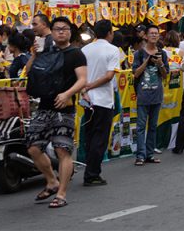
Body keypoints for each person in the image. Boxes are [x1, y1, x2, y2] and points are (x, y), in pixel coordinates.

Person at [25, 16, 87, 208]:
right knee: (33, 147)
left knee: (63, 150)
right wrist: (34, 56)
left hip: (64, 108)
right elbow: (28, 73)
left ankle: (61, 194)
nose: (61, 32)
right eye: (57, 29)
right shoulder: (44, 52)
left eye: (65, 29)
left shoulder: (76, 53)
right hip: (44, 106)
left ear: (70, 32)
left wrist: (67, 94)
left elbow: (83, 79)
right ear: (51, 32)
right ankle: (52, 181)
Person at [79, 20, 119, 186]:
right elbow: (109, 76)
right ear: (109, 32)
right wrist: (91, 86)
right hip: (102, 100)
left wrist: (85, 89)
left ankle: (91, 170)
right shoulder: (113, 50)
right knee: (100, 138)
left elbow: (80, 75)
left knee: (90, 136)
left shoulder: (85, 49)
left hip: (87, 99)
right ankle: (92, 173)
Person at [132, 25, 168, 166]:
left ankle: (150, 154)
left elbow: (165, 75)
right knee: (141, 126)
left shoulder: (163, 54)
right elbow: (135, 74)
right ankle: (140, 155)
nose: (154, 36)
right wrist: (147, 61)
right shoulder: (139, 54)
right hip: (143, 95)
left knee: (153, 126)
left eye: (156, 33)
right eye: (151, 33)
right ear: (145, 36)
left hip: (157, 94)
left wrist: (160, 64)